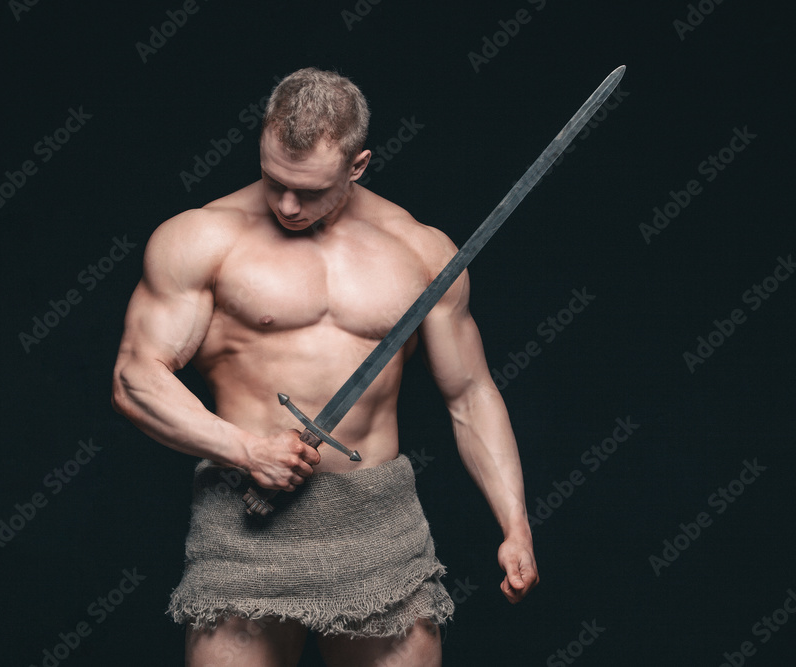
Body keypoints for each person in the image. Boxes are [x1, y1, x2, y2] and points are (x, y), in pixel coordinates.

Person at [111, 67, 539, 666]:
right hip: (245, 520)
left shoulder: (419, 250)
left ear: (358, 165)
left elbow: (470, 394)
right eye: (273, 181)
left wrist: (514, 522)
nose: (287, 205)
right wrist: (246, 450)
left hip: (378, 523)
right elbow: (136, 379)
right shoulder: (202, 239)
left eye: (309, 191)